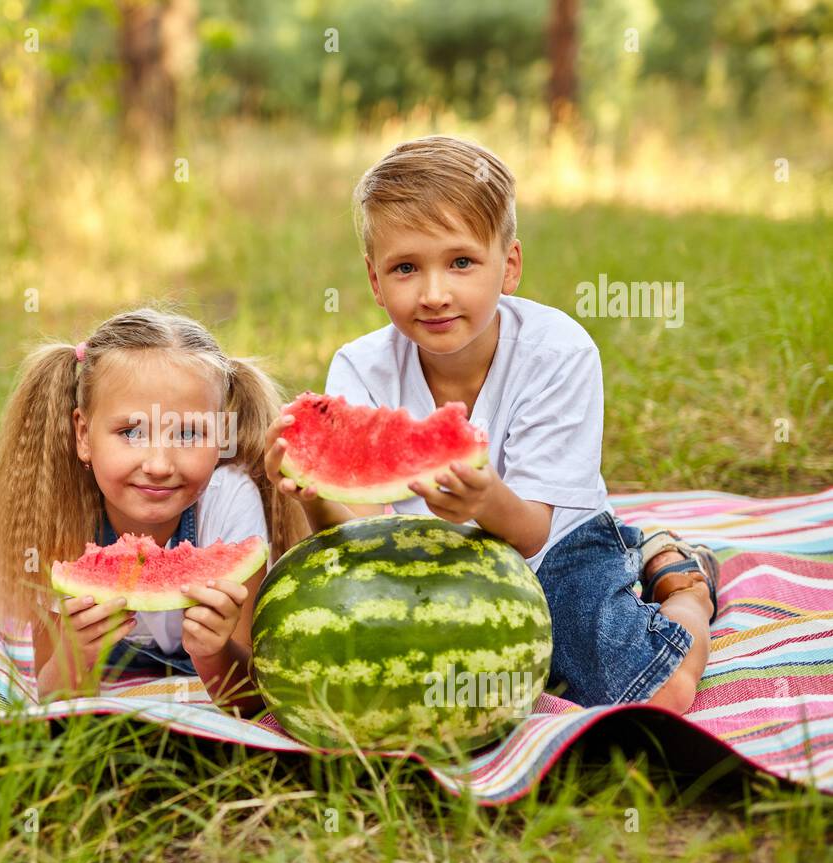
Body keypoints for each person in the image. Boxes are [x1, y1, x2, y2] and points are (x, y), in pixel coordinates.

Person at [263, 135, 720, 713]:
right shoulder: (359, 366)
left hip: (555, 546)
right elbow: (360, 534)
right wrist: (314, 496)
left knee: (655, 695)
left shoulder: (559, 353)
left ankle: (682, 582)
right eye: (405, 268)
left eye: (461, 262)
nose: (434, 294)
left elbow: (530, 532)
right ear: (375, 282)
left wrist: (482, 500)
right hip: (420, 566)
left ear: (509, 266)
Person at [0, 307, 309, 716]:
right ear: (83, 434)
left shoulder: (229, 502)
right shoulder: (59, 509)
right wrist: (74, 653)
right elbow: (52, 698)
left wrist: (215, 653)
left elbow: (251, 701)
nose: (159, 464)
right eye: (131, 432)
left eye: (190, 433)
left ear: (222, 436)